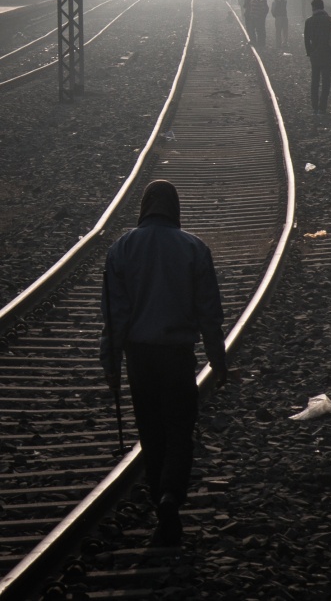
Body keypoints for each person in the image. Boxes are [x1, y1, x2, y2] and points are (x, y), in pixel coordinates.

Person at [100, 180, 227, 547]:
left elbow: (116, 317)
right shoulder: (194, 249)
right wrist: (218, 362)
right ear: (175, 208)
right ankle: (172, 495)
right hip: (177, 355)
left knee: (151, 435)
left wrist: (110, 364)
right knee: (179, 430)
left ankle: (161, 502)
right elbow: (209, 314)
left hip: (140, 358)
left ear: (144, 207)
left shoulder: (120, 249)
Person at [303, 0, 331, 115]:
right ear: (323, 7)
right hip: (327, 54)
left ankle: (314, 106)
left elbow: (306, 40)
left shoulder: (309, 21)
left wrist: (309, 52)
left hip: (314, 55)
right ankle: (323, 107)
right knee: (326, 82)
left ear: (314, 8)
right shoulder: (329, 20)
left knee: (315, 81)